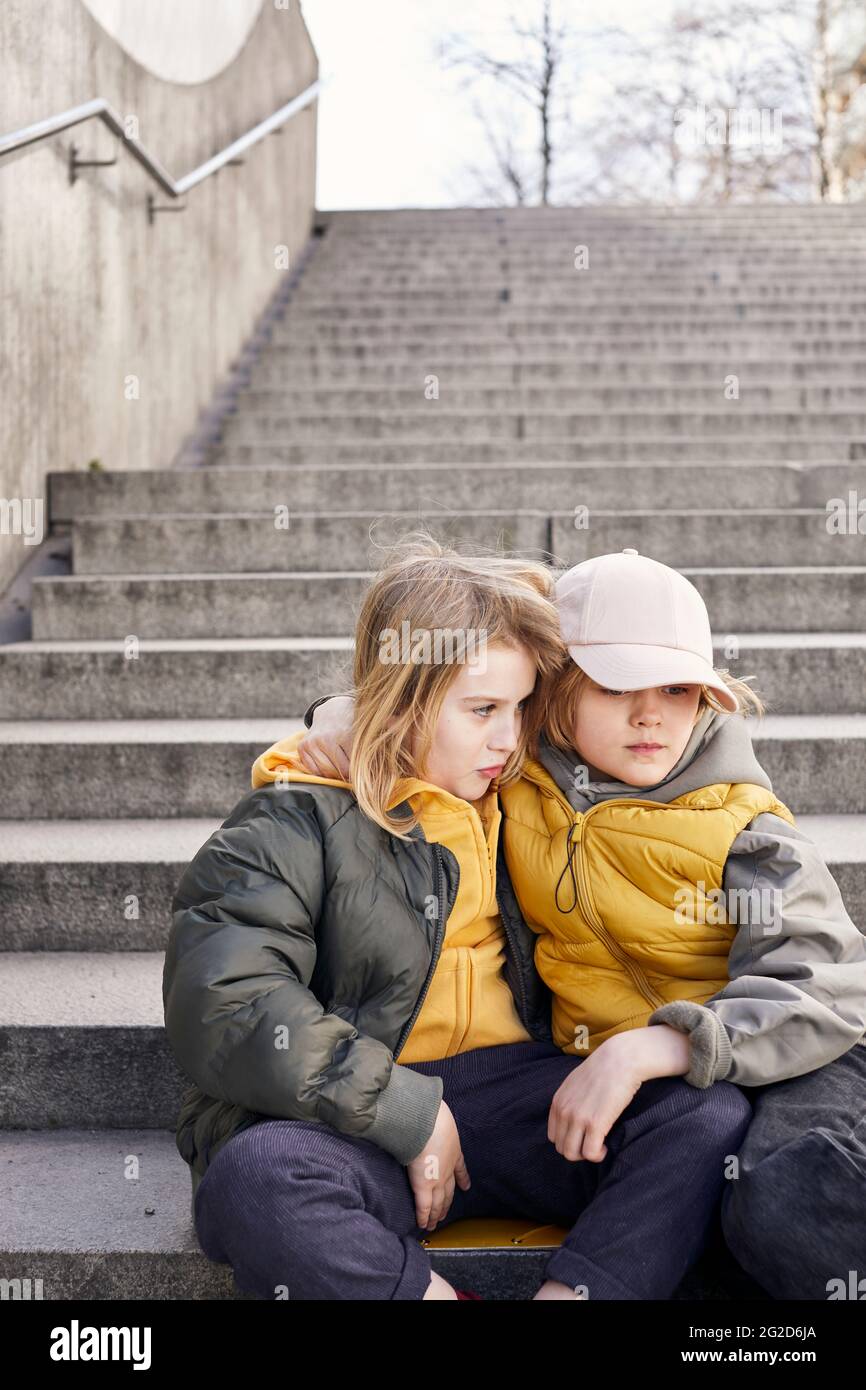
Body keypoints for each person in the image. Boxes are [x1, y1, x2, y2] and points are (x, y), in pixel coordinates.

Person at [162, 533, 753, 1302]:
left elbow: (681, 727)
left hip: (521, 1096)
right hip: (360, 1113)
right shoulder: (294, 820)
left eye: (519, 709)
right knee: (256, 1179)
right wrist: (402, 1110)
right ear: (402, 703)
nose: (508, 739)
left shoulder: (528, 797)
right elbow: (227, 1004)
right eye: (481, 709)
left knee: (704, 1114)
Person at [300, 546, 866, 1301]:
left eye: (679, 688)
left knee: (775, 1202)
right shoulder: (518, 772)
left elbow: (826, 990)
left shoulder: (744, 827)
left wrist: (654, 1046)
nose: (651, 714)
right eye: (615, 685)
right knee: (698, 1176)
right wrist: (346, 715)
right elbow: (436, 692)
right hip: (640, 1096)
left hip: (794, 1059)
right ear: (554, 685)